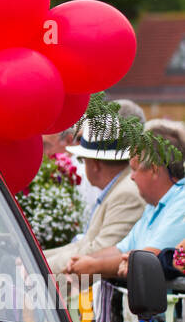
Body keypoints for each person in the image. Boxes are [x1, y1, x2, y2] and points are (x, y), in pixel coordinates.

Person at [67, 120, 185, 280]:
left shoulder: (181, 202)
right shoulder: (155, 205)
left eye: (135, 169)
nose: (132, 176)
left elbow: (147, 258)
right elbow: (122, 250)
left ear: (155, 170)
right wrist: (87, 261)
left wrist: (94, 265)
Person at [44, 111, 146, 276]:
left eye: (84, 160)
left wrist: (40, 266)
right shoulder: (118, 190)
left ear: (96, 165)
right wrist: (37, 259)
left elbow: (98, 251)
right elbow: (85, 244)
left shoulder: (126, 194)